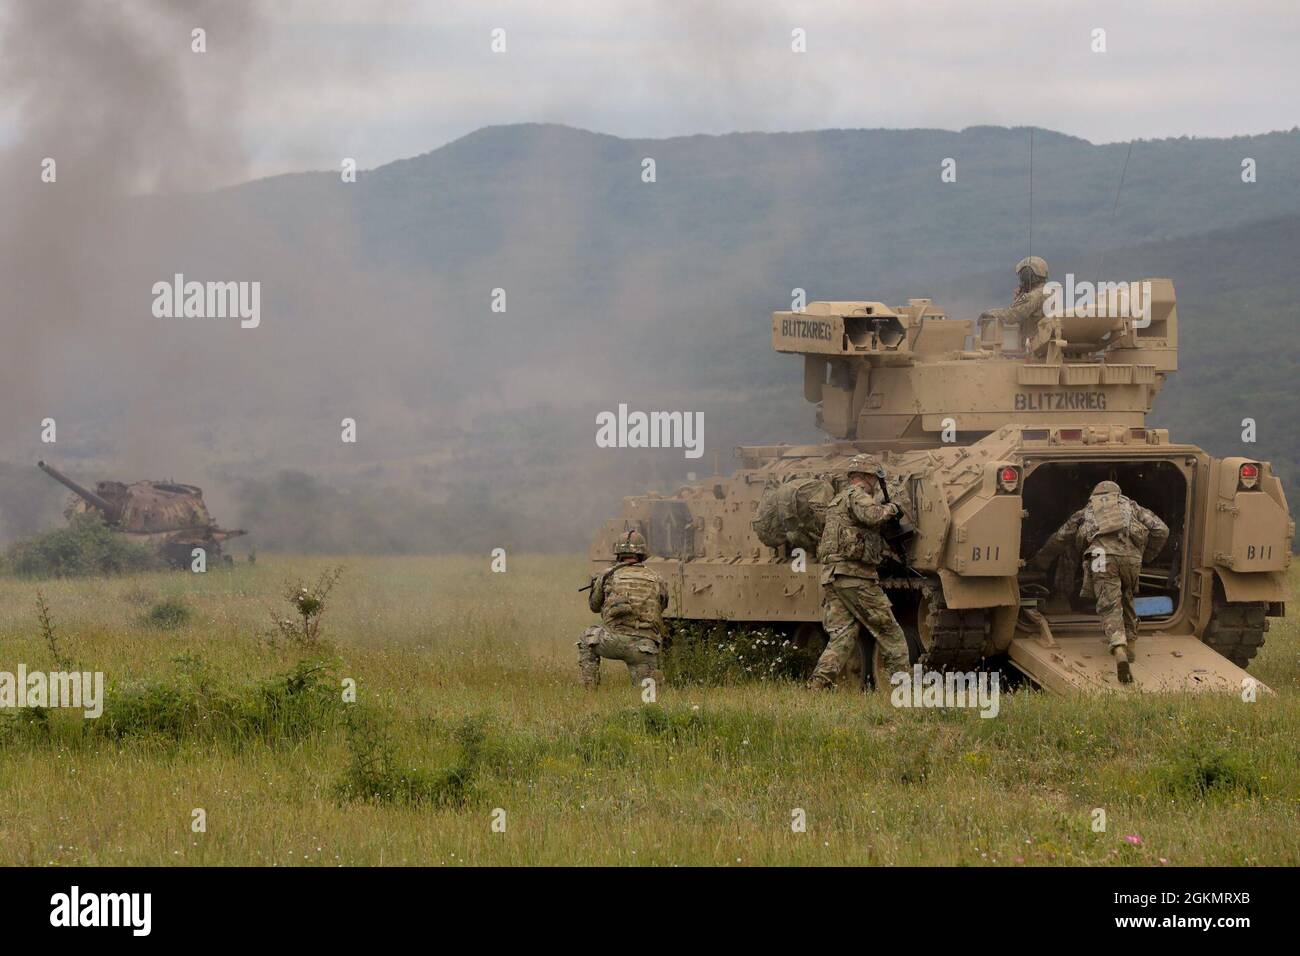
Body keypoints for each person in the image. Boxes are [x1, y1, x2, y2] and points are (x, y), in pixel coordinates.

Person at [1030, 480, 1169, 683]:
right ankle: (1130, 644)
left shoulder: (1086, 511)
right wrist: (1147, 555)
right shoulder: (1132, 506)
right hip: (1131, 559)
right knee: (1126, 596)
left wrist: (1040, 561)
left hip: (1101, 556)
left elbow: (1060, 538)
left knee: (1109, 603)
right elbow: (1161, 530)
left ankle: (1118, 648)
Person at [808, 454, 910, 689]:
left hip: (835, 576)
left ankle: (817, 686)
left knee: (842, 636)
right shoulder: (857, 496)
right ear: (865, 477)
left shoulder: (838, 500)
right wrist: (893, 508)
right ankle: (905, 692)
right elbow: (873, 516)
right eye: (874, 479)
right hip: (856, 577)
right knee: (890, 632)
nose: (875, 484)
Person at [578, 530, 668, 689]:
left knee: (587, 637)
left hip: (613, 641)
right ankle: (649, 709)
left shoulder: (608, 575)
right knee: (648, 698)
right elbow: (662, 606)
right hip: (644, 646)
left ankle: (588, 690)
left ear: (618, 554)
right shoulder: (656, 577)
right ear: (642, 554)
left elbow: (594, 606)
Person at [980, 256, 1062, 362]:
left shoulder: (1032, 296)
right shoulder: (1050, 292)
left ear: (1028, 276)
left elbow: (1012, 315)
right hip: (1047, 350)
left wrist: (990, 313)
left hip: (1035, 351)